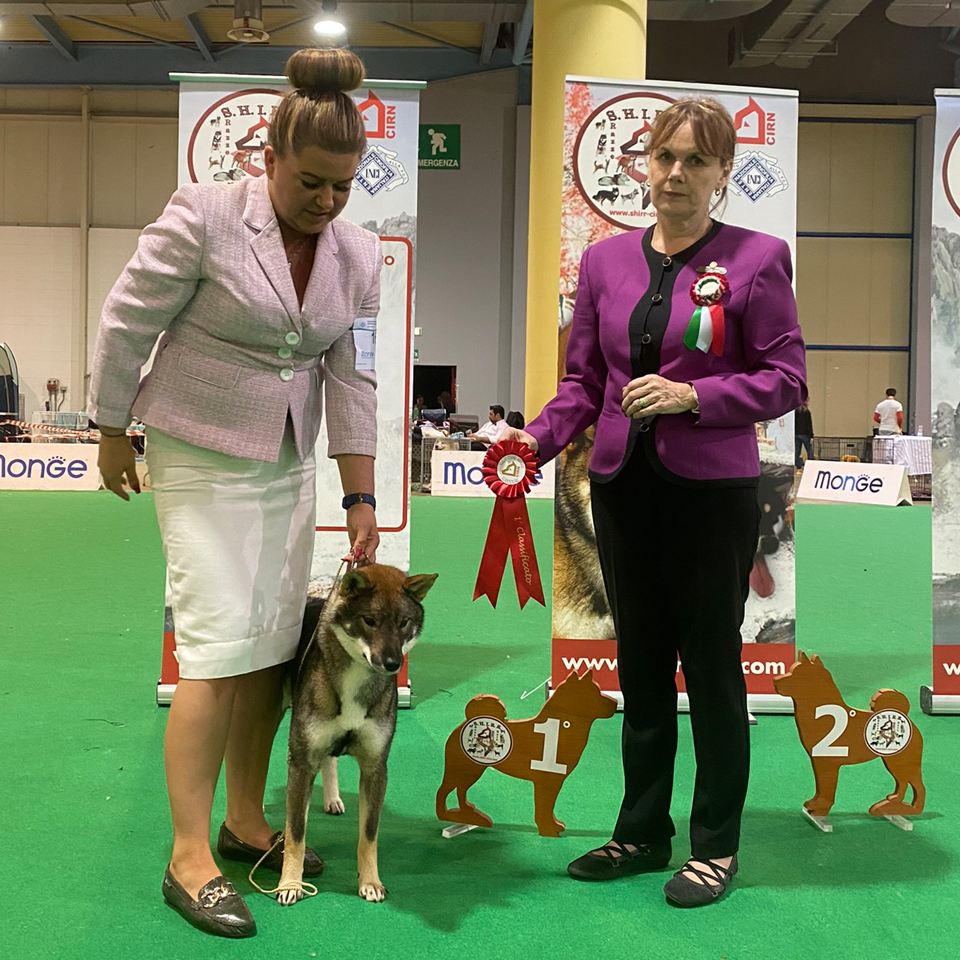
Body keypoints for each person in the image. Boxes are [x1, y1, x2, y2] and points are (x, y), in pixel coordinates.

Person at [87, 48, 381, 939]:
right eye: (312, 183)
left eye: (344, 186)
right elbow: (128, 318)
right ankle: (188, 859)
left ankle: (248, 821)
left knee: (266, 651)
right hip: (198, 449)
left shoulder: (356, 253)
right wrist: (107, 425)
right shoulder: (205, 215)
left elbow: (348, 373)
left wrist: (359, 493)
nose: (327, 202)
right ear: (269, 160)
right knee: (215, 651)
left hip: (286, 463)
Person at [502, 97, 806, 907]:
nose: (675, 173)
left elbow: (787, 379)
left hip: (712, 495)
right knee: (638, 668)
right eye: (664, 157)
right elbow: (583, 384)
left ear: (721, 174)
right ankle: (640, 831)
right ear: (646, 164)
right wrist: (532, 441)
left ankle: (715, 845)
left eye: (696, 161)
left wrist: (692, 398)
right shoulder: (604, 264)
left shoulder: (758, 258)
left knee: (710, 669)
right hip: (621, 489)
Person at [795, 401, 814, 469]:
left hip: (796, 434)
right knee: (809, 450)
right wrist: (811, 436)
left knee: (797, 451)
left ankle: (798, 466)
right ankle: (811, 465)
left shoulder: (795, 412)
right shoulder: (807, 412)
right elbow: (809, 425)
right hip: (805, 435)